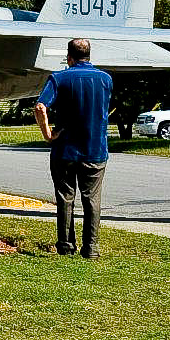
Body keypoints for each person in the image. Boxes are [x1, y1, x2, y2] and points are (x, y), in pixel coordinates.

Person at [34, 37, 112, 258]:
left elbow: (40, 107)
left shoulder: (59, 78)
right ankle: (91, 248)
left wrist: (48, 134)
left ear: (68, 57)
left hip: (65, 149)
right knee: (92, 199)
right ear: (89, 55)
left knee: (66, 197)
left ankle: (66, 246)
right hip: (95, 148)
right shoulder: (106, 79)